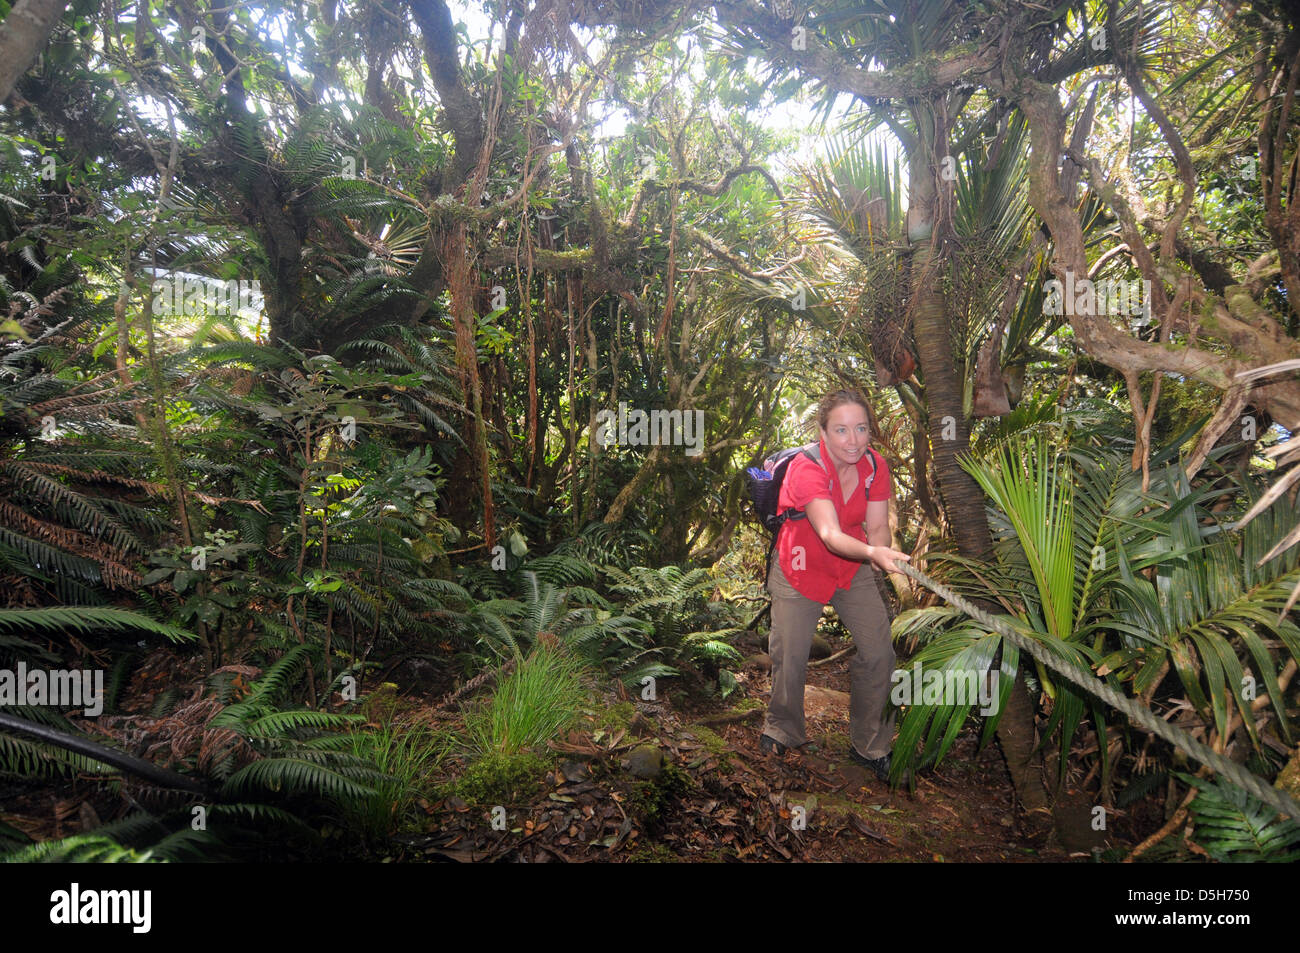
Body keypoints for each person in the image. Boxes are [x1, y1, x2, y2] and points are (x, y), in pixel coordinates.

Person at [759, 388, 911, 782]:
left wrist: (883, 554)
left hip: (852, 567)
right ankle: (782, 727)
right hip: (801, 566)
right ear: (823, 433)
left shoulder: (875, 466)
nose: (854, 440)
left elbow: (877, 528)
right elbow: (827, 532)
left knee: (879, 652)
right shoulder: (807, 468)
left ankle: (870, 744)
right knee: (790, 655)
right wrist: (873, 554)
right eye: (842, 430)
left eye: (861, 429)